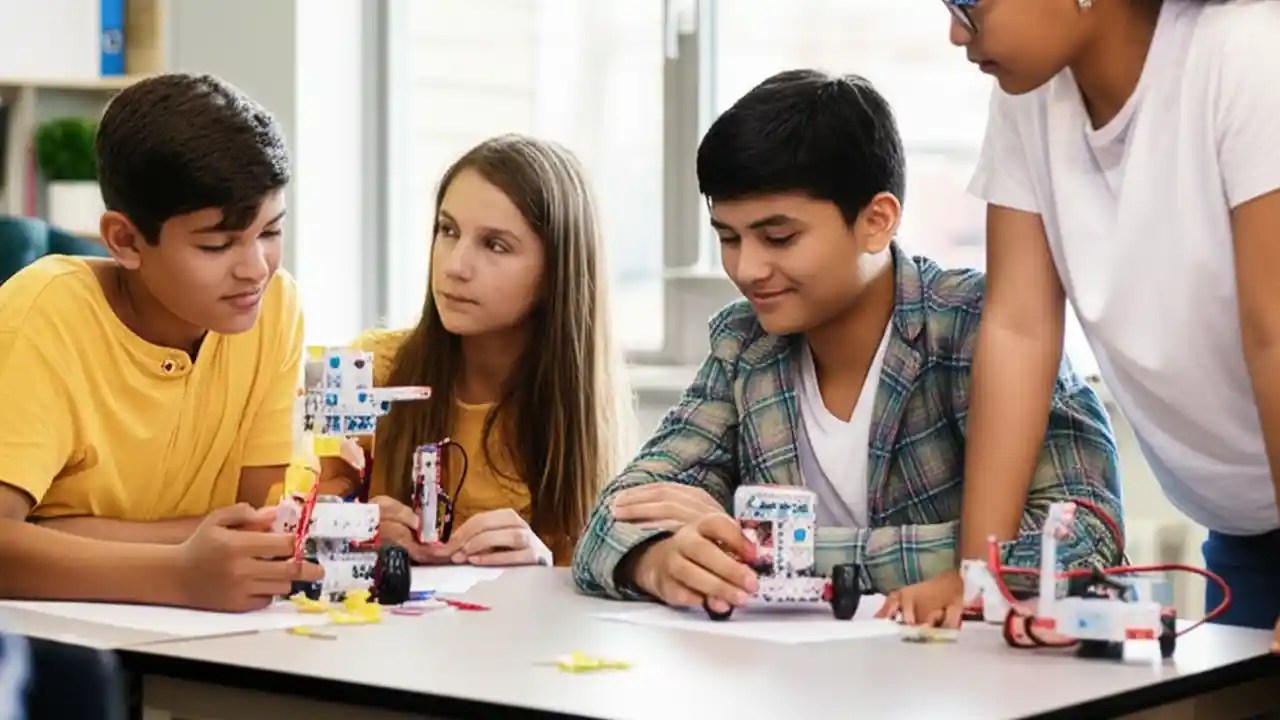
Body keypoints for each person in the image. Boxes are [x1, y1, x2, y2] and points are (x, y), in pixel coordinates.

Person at [571, 69, 1124, 625]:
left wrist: (784, 551)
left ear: (876, 222)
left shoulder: (983, 327)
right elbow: (613, 518)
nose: (747, 268)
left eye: (779, 237)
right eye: (728, 238)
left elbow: (1084, 541)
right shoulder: (744, 344)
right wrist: (658, 558)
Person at [943, 0, 1280, 649]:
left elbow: (1274, 330)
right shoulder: (1030, 96)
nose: (956, 32)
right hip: (1243, 529)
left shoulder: (1247, 51)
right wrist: (979, 580)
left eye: (970, 3)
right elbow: (1019, 329)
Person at [0, 72, 321, 611]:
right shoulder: (44, 313)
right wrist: (176, 572)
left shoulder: (275, 307)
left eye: (270, 232)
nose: (255, 269)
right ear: (126, 241)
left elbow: (258, 525)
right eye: (217, 245)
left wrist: (62, 531)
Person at [317, 134, 633, 568]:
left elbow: (593, 601)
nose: (454, 266)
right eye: (448, 231)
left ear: (557, 272)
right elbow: (297, 522)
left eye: (496, 245)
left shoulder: (581, 413)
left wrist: (545, 570)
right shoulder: (373, 370)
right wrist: (353, 533)